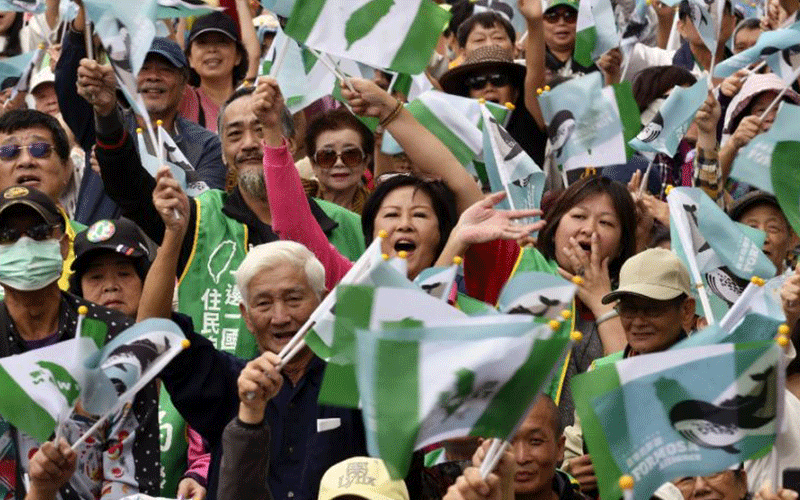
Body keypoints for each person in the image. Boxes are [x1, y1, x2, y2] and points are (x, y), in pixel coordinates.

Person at [562, 248, 800, 495]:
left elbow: (765, 367)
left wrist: (788, 312)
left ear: (686, 309)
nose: (638, 321)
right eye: (629, 309)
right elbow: (571, 458)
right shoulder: (603, 375)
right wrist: (573, 473)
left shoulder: (716, 367)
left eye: (652, 309)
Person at [264, 76, 541, 285]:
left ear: (441, 232)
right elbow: (292, 222)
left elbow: (457, 181)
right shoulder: (353, 288)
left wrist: (389, 110)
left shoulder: (476, 286)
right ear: (371, 233)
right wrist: (272, 130)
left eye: (420, 215)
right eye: (392, 214)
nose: (404, 225)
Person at [0, 185, 158, 500]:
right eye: (7, 236)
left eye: (40, 231)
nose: (25, 244)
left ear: (63, 244)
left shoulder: (115, 336)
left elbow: (133, 477)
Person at [441, 175, 638, 428]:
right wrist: (458, 238)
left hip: (573, 461)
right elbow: (455, 177)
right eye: (578, 216)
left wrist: (602, 303)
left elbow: (628, 389)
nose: (590, 229)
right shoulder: (513, 263)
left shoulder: (632, 301)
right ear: (554, 229)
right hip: (491, 449)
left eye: (606, 222)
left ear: (622, 245)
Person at [67, 217, 211, 499]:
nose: (110, 286)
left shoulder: (181, 356)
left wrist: (198, 476)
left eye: (124, 273)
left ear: (149, 281)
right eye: (95, 277)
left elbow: (209, 444)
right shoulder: (67, 366)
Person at [0, 108, 87, 290]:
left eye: (39, 149)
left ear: (67, 168)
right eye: (8, 151)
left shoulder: (94, 244)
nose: (26, 161)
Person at [180, 11, 253, 133]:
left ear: (238, 56)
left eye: (222, 42)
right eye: (202, 43)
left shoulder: (253, 102)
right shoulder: (184, 99)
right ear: (190, 58)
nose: (212, 49)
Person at [303, 108, 374, 214]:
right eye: (327, 155)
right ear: (313, 164)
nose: (339, 163)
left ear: (365, 162)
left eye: (350, 154)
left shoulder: (378, 208)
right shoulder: (296, 202)